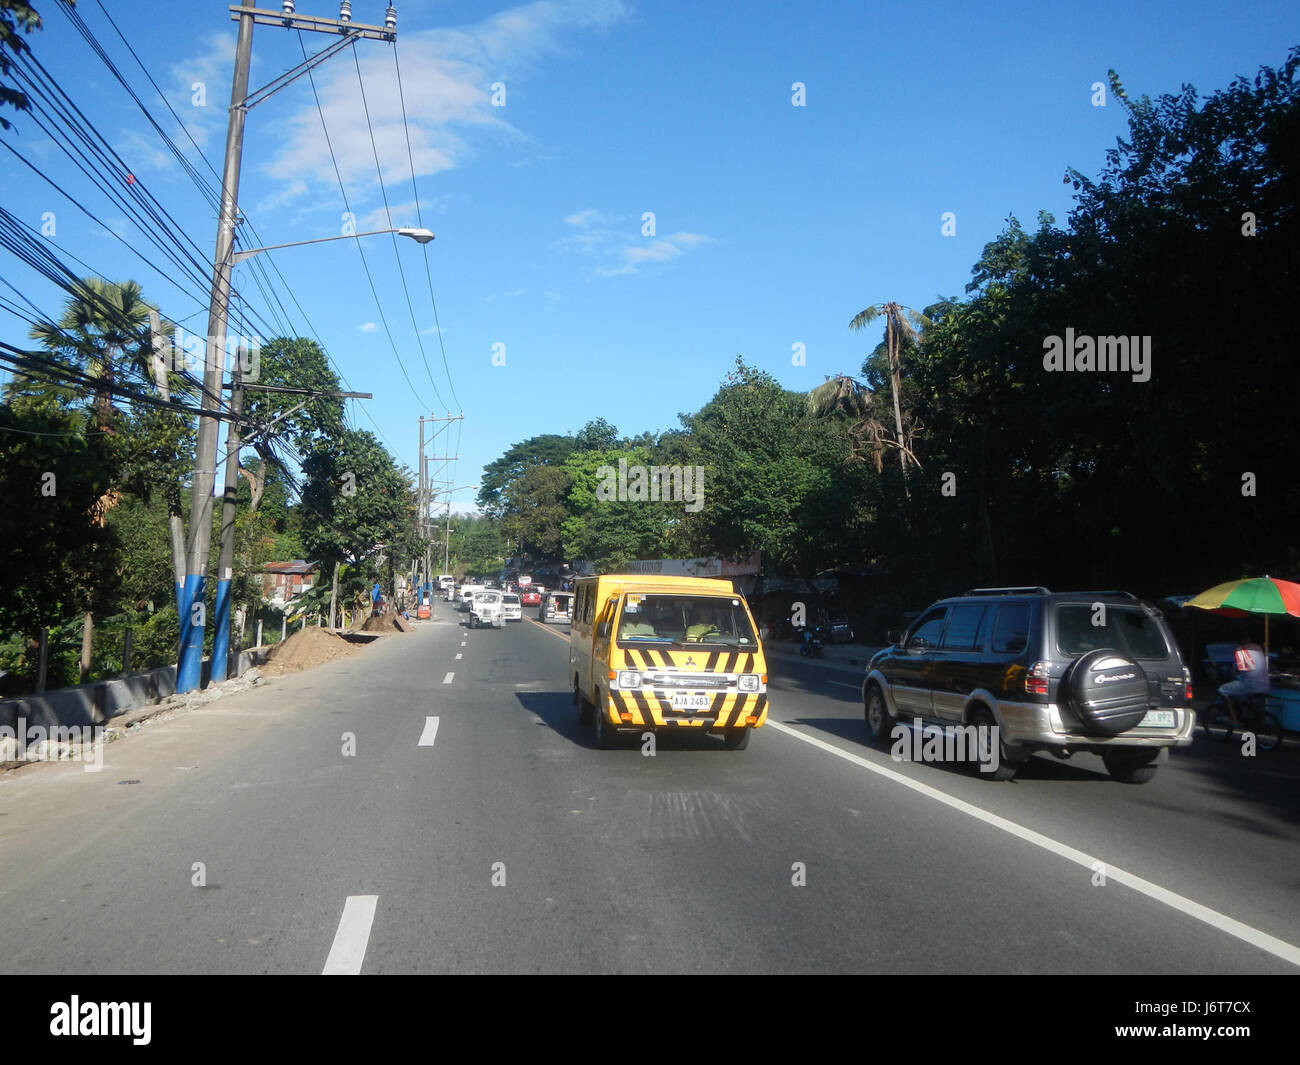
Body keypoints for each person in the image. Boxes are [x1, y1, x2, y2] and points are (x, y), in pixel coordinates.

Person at [1219, 632, 1270, 725]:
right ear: (1248, 639)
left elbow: (1242, 669)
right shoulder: (1258, 648)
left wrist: (1234, 670)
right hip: (1265, 684)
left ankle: (1234, 719)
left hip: (1251, 684)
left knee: (1222, 690)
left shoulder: (1240, 650)